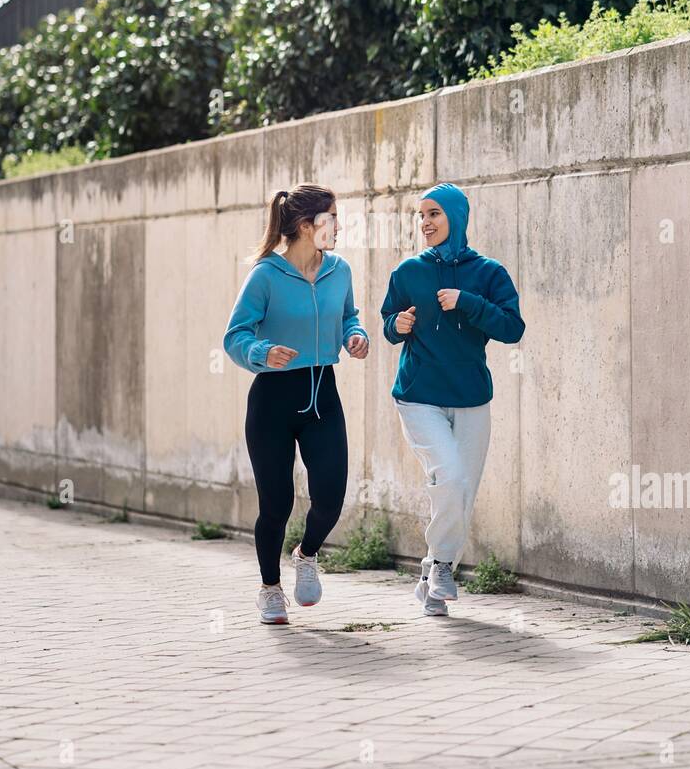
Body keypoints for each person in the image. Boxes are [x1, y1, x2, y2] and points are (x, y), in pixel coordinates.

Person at [224, 184, 369, 625]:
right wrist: (261, 353)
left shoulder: (339, 270)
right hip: (272, 400)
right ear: (307, 226)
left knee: (331, 496)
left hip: (323, 393)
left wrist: (354, 336)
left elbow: (349, 315)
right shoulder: (265, 274)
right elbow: (235, 335)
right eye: (332, 218)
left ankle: (306, 554)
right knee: (277, 503)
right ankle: (270, 589)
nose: (339, 226)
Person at [381, 182, 525, 617]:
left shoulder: (489, 273)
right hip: (419, 396)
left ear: (456, 218)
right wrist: (397, 326)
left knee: (463, 493)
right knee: (450, 479)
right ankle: (443, 565)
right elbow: (388, 320)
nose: (424, 223)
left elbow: (512, 328)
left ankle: (431, 573)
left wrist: (469, 302)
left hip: (471, 397)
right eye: (420, 215)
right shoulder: (408, 271)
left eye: (434, 215)